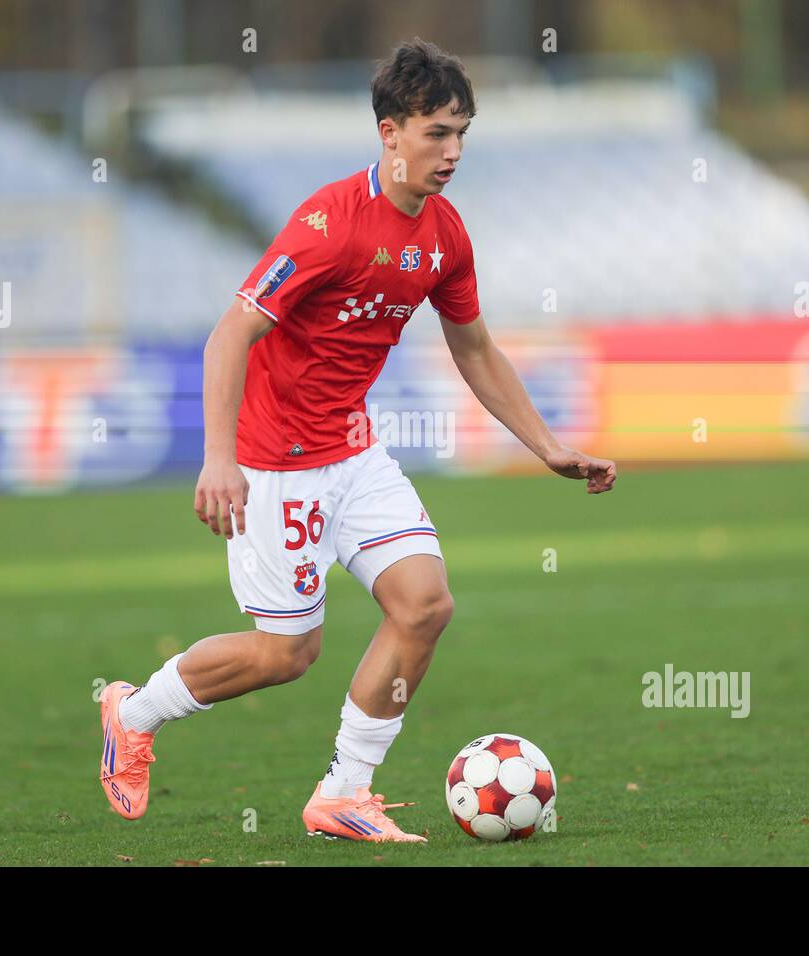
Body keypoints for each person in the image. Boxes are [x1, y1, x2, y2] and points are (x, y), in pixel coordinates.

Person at [99, 38, 616, 843]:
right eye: (436, 133)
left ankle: (343, 791)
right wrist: (218, 456)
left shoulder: (445, 234)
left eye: (461, 134)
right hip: (275, 466)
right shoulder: (327, 225)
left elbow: (473, 346)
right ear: (390, 132)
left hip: (355, 453)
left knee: (426, 603)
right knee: (286, 655)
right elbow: (230, 332)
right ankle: (131, 713)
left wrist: (545, 444)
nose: (452, 152)